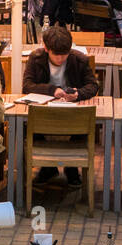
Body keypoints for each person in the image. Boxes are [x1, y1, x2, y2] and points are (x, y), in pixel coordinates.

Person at [22, 25, 99, 187]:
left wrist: (78, 94)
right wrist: (52, 90)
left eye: (64, 55)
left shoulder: (79, 59)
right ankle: (48, 167)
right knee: (27, 123)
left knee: (84, 122)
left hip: (73, 110)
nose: (60, 59)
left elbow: (93, 86)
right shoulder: (36, 58)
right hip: (44, 109)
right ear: (46, 48)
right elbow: (27, 85)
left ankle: (71, 168)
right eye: (56, 55)